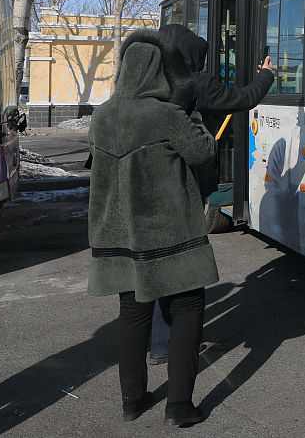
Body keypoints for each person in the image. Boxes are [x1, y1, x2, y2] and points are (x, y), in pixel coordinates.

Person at [87, 29, 217, 426]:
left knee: (132, 312)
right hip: (170, 233)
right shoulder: (165, 115)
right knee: (188, 307)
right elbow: (203, 151)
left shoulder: (102, 115)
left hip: (120, 234)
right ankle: (178, 406)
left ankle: (132, 400)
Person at [145, 23, 274, 364]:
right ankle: (176, 347)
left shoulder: (146, 84)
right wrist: (265, 75)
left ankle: (158, 343)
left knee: (158, 267)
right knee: (184, 269)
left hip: (146, 187)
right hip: (183, 188)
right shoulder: (196, 85)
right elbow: (244, 99)